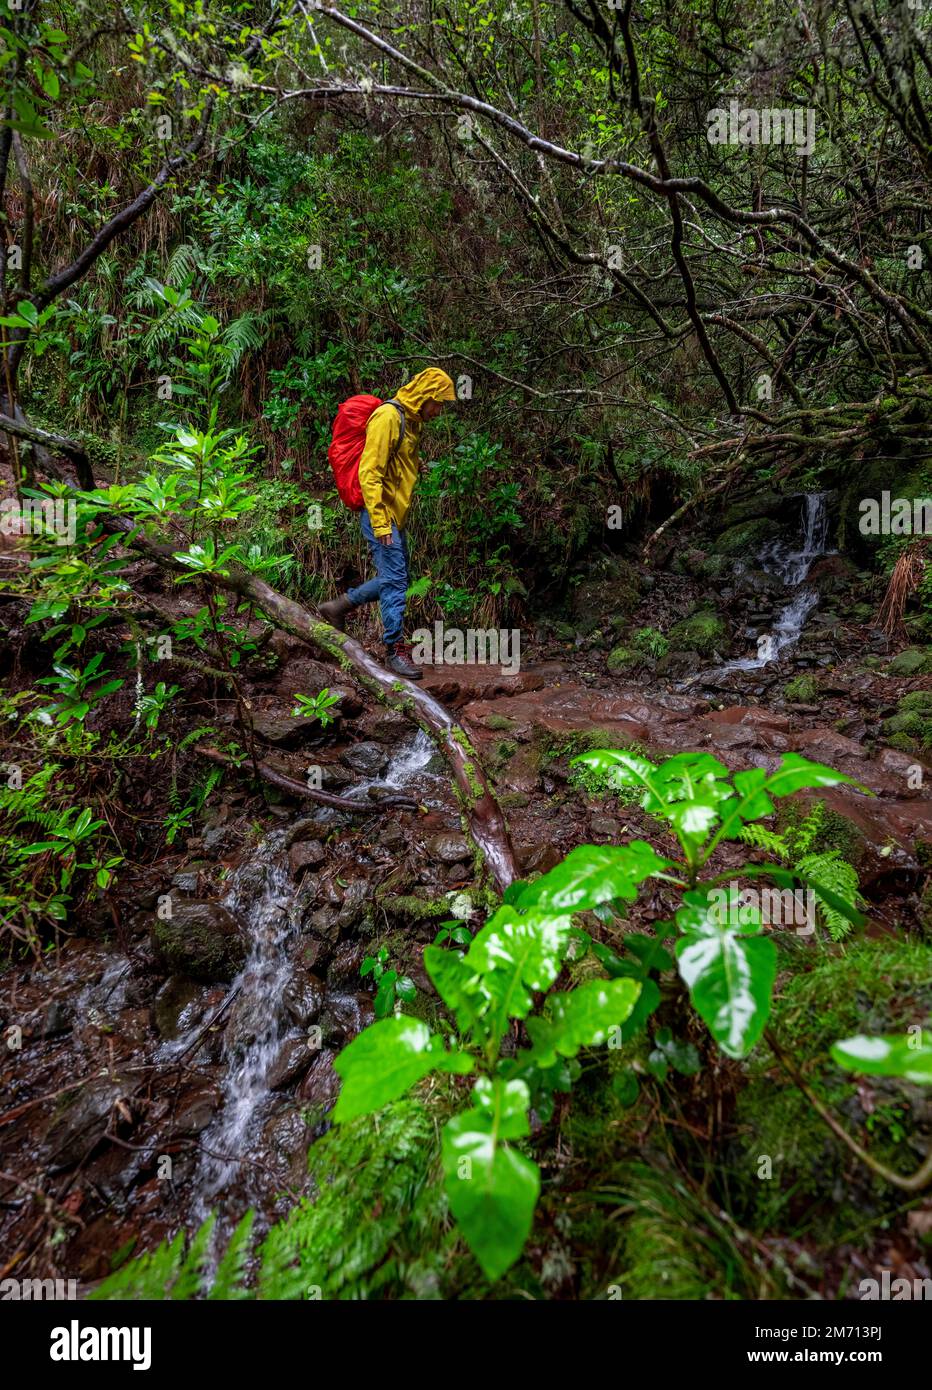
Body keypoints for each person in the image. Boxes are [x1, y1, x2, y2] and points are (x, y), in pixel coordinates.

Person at [320, 367, 456, 678]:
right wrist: (381, 525)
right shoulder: (388, 417)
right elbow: (370, 473)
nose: (440, 410)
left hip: (394, 513)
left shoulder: (411, 422)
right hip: (380, 514)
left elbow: (395, 459)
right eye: (439, 403)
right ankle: (394, 650)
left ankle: (338, 607)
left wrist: (413, 464)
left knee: (396, 579)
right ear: (425, 397)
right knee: (396, 581)